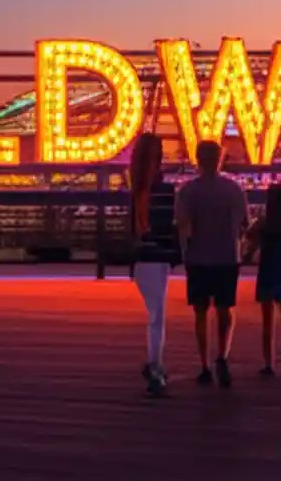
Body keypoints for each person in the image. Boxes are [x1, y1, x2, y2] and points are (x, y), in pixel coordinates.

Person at [175, 140, 248, 388]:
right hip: (227, 255)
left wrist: (185, 252)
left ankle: (204, 364)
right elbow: (244, 222)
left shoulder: (187, 191)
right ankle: (222, 356)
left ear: (197, 159)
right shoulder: (233, 189)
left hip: (198, 256)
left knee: (200, 311)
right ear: (221, 159)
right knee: (226, 309)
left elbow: (182, 225)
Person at [129, 133, 180, 396]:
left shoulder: (137, 190)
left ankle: (155, 364)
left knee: (155, 315)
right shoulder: (164, 191)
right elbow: (170, 226)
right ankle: (155, 366)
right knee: (157, 318)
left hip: (142, 259)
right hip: (158, 259)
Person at [245, 183, 281, 376]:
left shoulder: (265, 223)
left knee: (267, 320)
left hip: (268, 270)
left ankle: (269, 363)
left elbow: (250, 237)